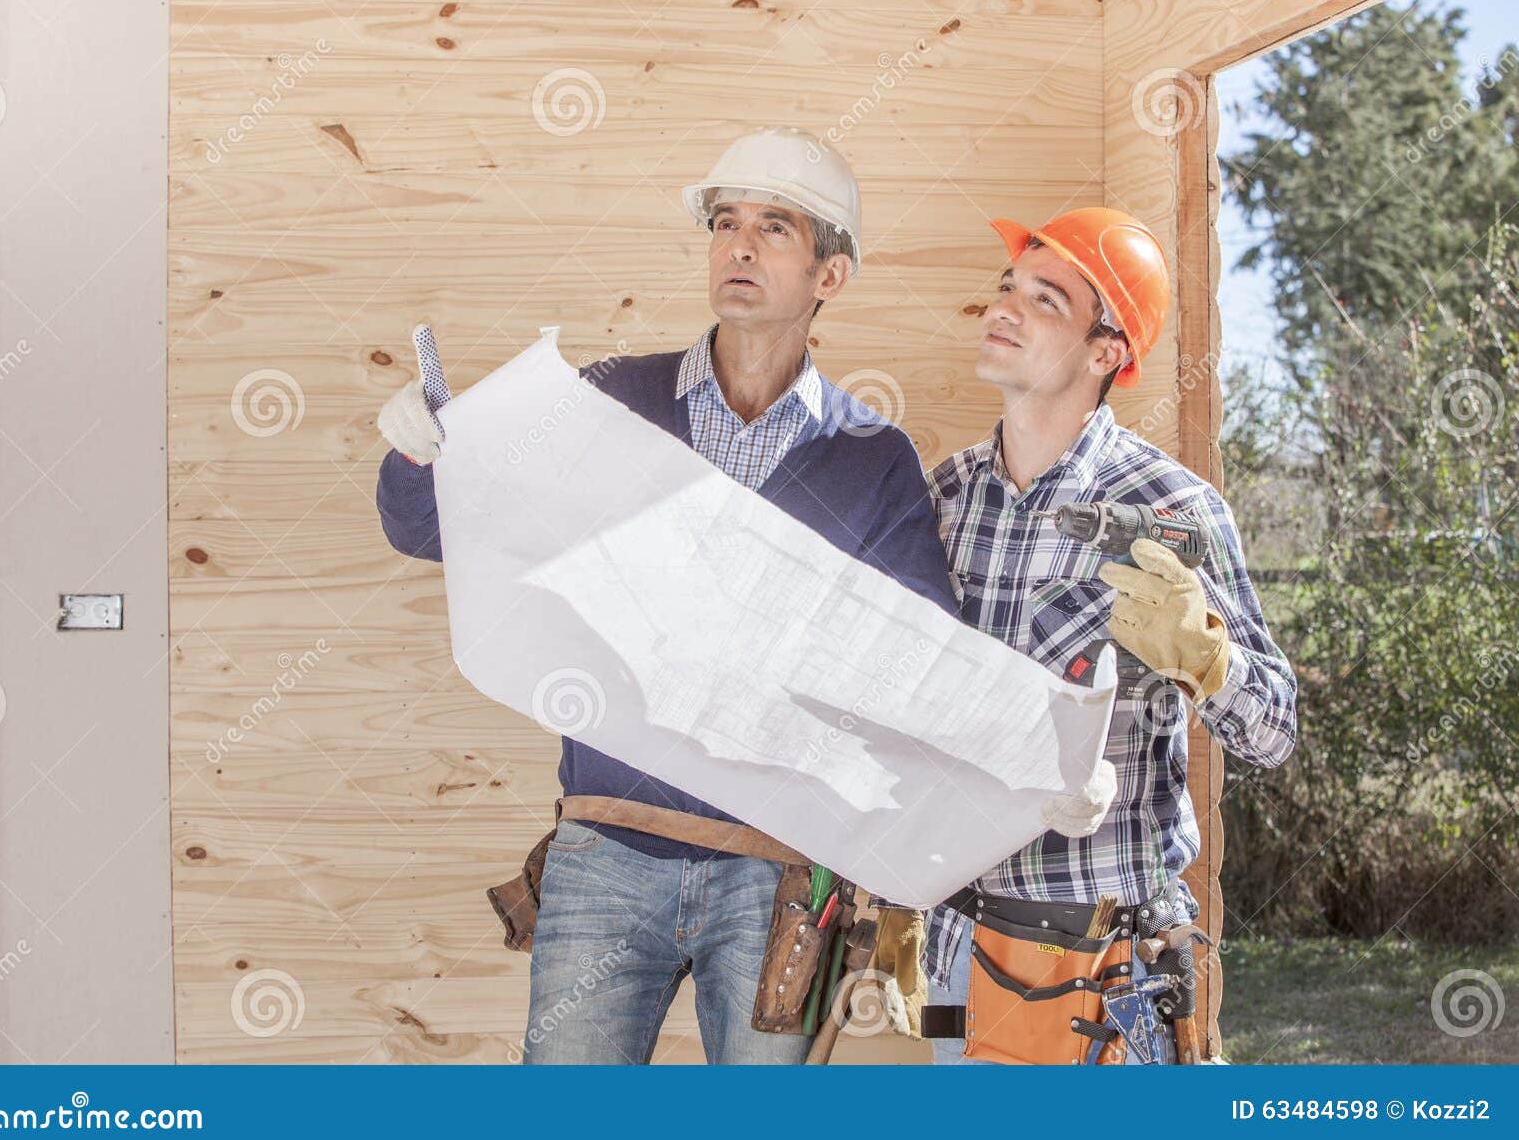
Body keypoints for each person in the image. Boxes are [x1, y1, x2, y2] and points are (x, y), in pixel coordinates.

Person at [375, 126, 962, 1064]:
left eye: (774, 227)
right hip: (608, 845)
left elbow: (920, 653)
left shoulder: (871, 458)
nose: (739, 246)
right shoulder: (610, 401)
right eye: (726, 223)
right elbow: (433, 528)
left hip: (777, 869)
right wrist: (419, 458)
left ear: (831, 274)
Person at [874, 207, 1298, 1065]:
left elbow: (1275, 732)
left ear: (1107, 351)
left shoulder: (1171, 509)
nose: (1004, 308)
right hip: (958, 952)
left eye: (1046, 299)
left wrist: (1209, 660)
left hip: (1111, 965)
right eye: (1008, 287)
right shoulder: (944, 496)